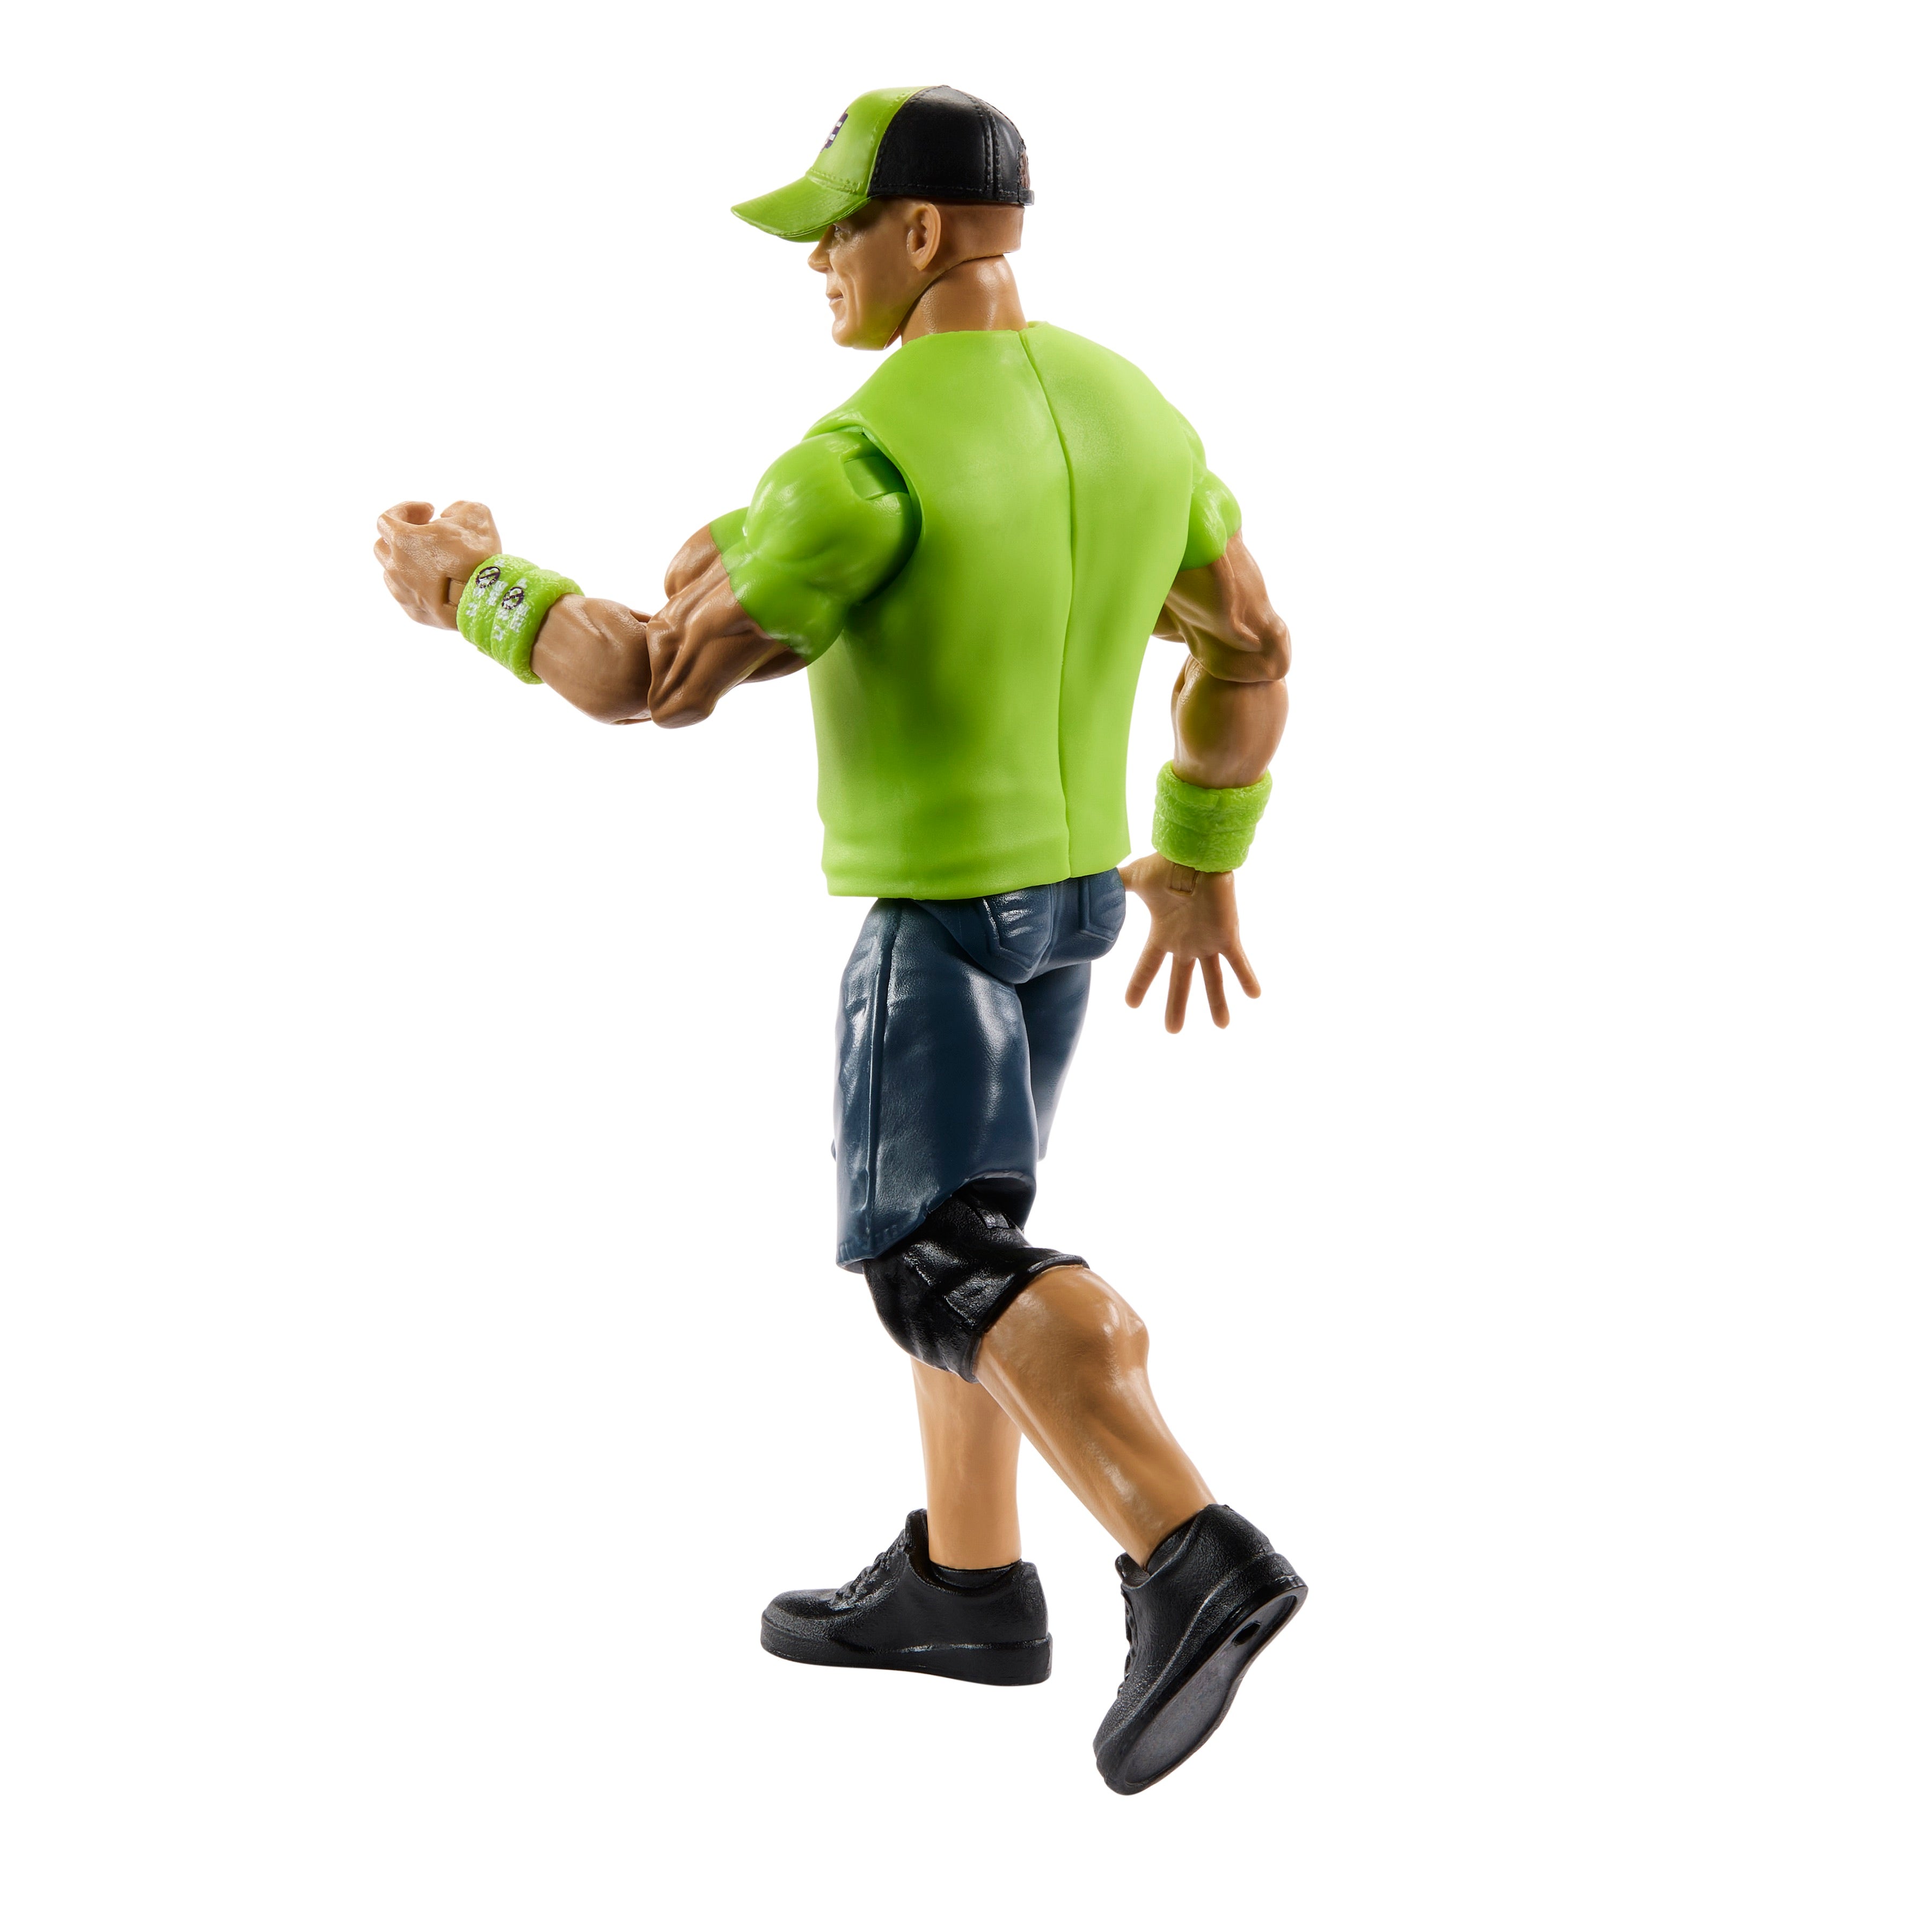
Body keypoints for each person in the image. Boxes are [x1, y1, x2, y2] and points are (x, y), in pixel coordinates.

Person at [373, 84, 1305, 1796]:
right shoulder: (1139, 417)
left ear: (924, 231)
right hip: (1072, 911)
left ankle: (1188, 1547)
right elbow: (1249, 646)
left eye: (838, 228)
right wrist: (1197, 861)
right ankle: (968, 1582)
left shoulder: (861, 463)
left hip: (940, 918)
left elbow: (644, 680)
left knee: (933, 1260)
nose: (819, 261)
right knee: (978, 1228)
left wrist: (472, 589)